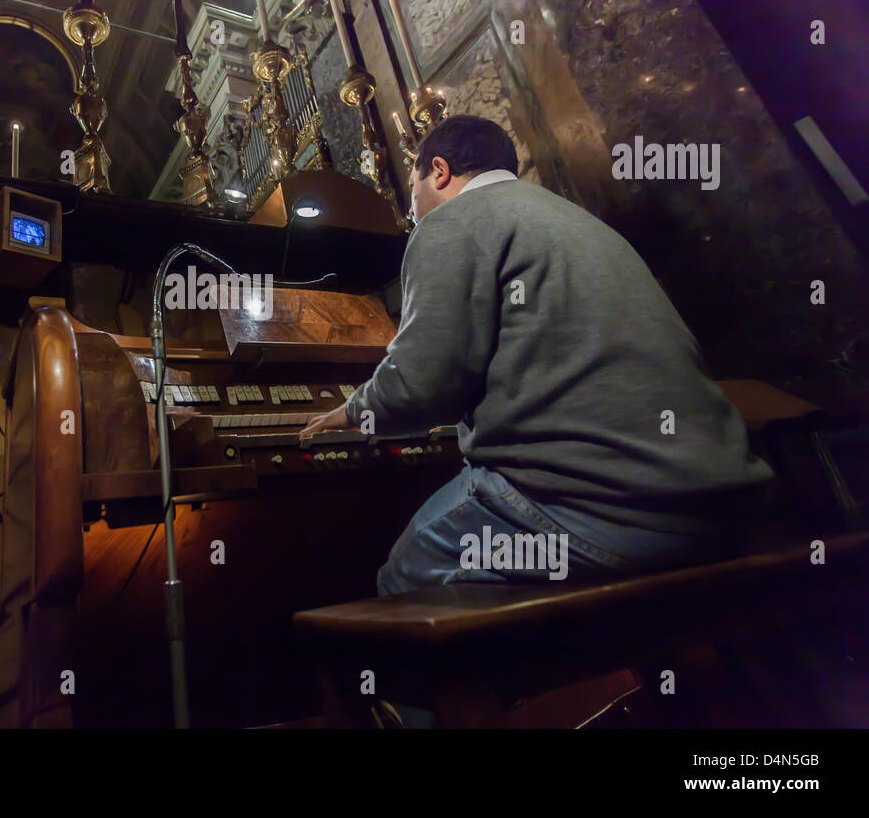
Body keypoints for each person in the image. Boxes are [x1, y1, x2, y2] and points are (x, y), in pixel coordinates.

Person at [298, 115, 774, 594]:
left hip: (603, 511)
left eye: (413, 189)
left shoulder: (450, 222)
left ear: (438, 171)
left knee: (403, 576)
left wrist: (353, 410)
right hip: (729, 501)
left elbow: (421, 385)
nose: (412, 210)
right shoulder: (581, 221)